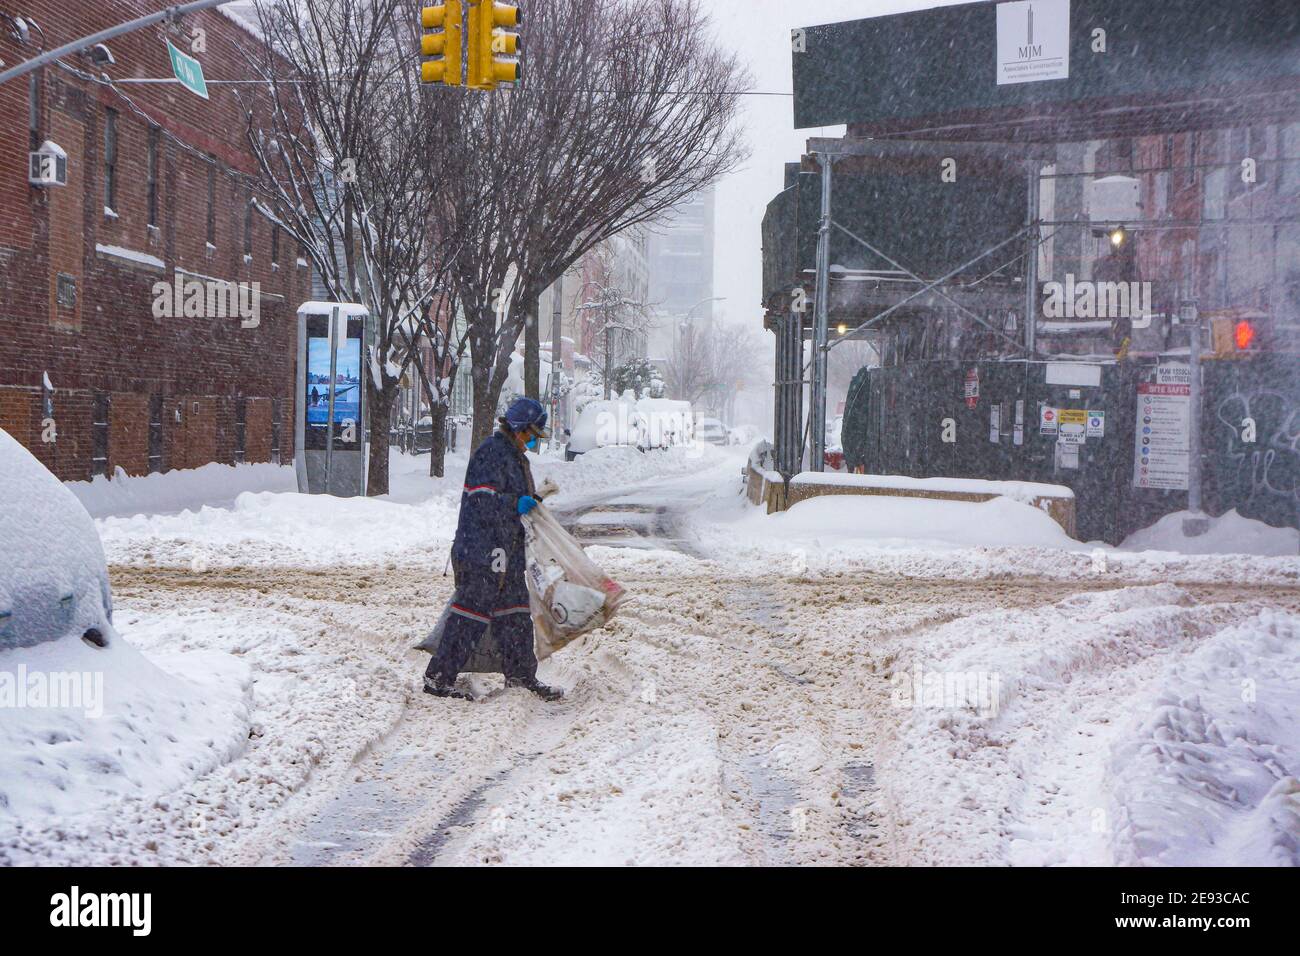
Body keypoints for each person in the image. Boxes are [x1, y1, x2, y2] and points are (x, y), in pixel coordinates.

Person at [424, 397, 563, 702]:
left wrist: (531, 503)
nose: (532, 442)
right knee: (470, 614)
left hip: (507, 550)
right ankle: (438, 677)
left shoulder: (516, 458)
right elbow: (482, 501)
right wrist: (516, 504)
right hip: (481, 548)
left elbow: (511, 500)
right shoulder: (492, 452)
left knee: (516, 614)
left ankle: (521, 676)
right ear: (517, 428)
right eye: (531, 435)